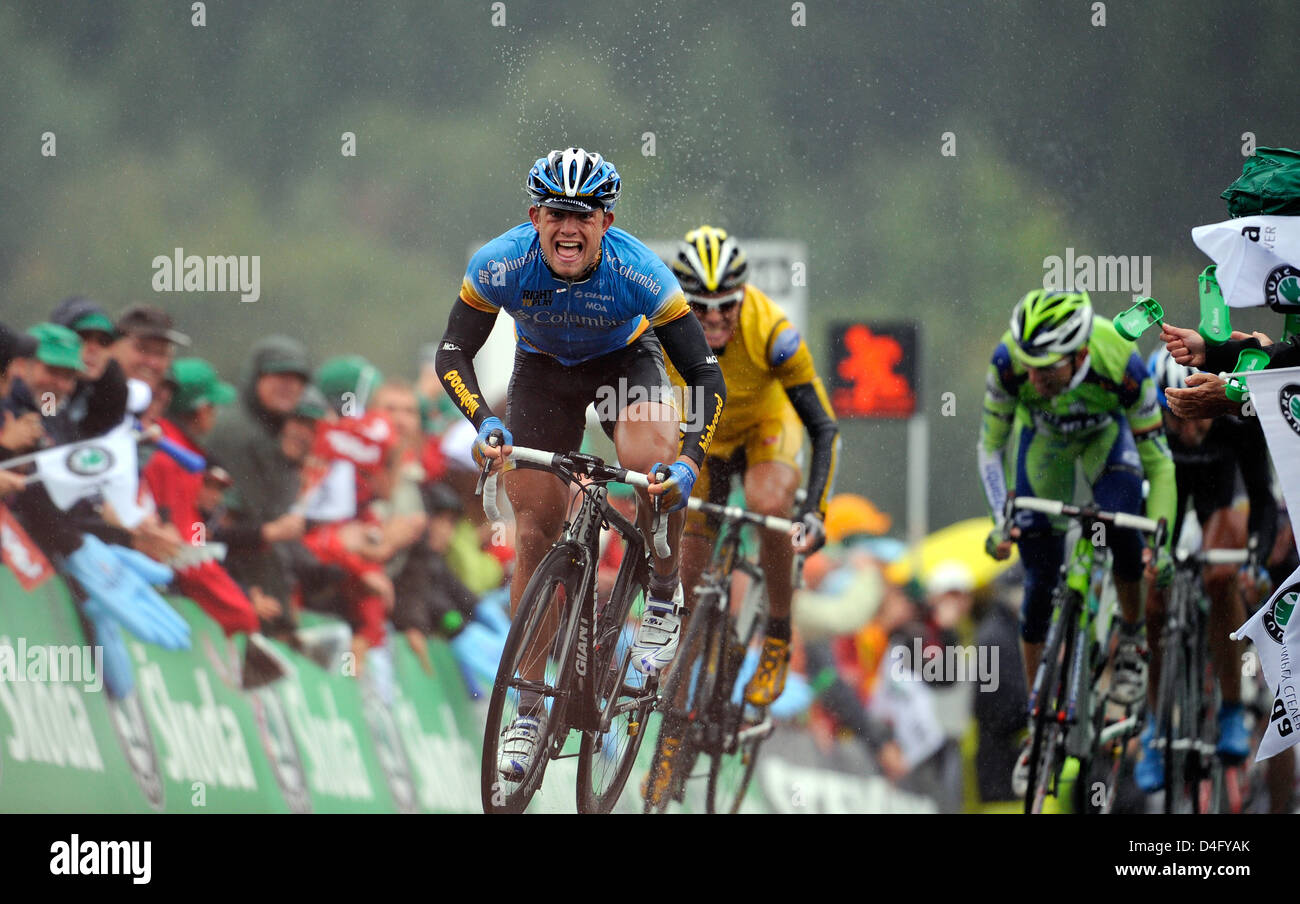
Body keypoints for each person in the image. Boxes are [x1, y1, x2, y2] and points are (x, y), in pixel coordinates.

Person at [434, 147, 726, 779]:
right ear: (535, 215)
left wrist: (690, 462)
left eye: (585, 214)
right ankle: (529, 709)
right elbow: (453, 352)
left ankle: (663, 591)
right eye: (559, 212)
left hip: (623, 366)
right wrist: (484, 420)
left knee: (650, 464)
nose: (570, 226)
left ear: (607, 223)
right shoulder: (499, 264)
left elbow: (704, 374)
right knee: (535, 528)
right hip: (542, 376)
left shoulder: (640, 273)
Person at [978, 289, 1175, 796]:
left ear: (1081, 356)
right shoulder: (1009, 362)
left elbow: (1158, 462)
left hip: (1105, 442)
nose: (1035, 378)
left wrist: (1162, 539)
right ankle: (1037, 716)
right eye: (1029, 367)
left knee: (1123, 525)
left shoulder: (1122, 362)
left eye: (1047, 370)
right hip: (1044, 447)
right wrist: (1002, 518)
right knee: (1039, 579)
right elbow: (990, 448)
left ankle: (1129, 639)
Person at [1133, 348, 1278, 790]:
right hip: (1169, 494)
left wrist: (1255, 557)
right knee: (1154, 601)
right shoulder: (1153, 424)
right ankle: (1155, 726)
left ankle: (1232, 707)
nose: (1189, 428)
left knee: (1219, 576)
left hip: (1223, 496)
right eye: (1177, 416)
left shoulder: (1238, 421)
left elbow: (1263, 499)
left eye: (1198, 414)